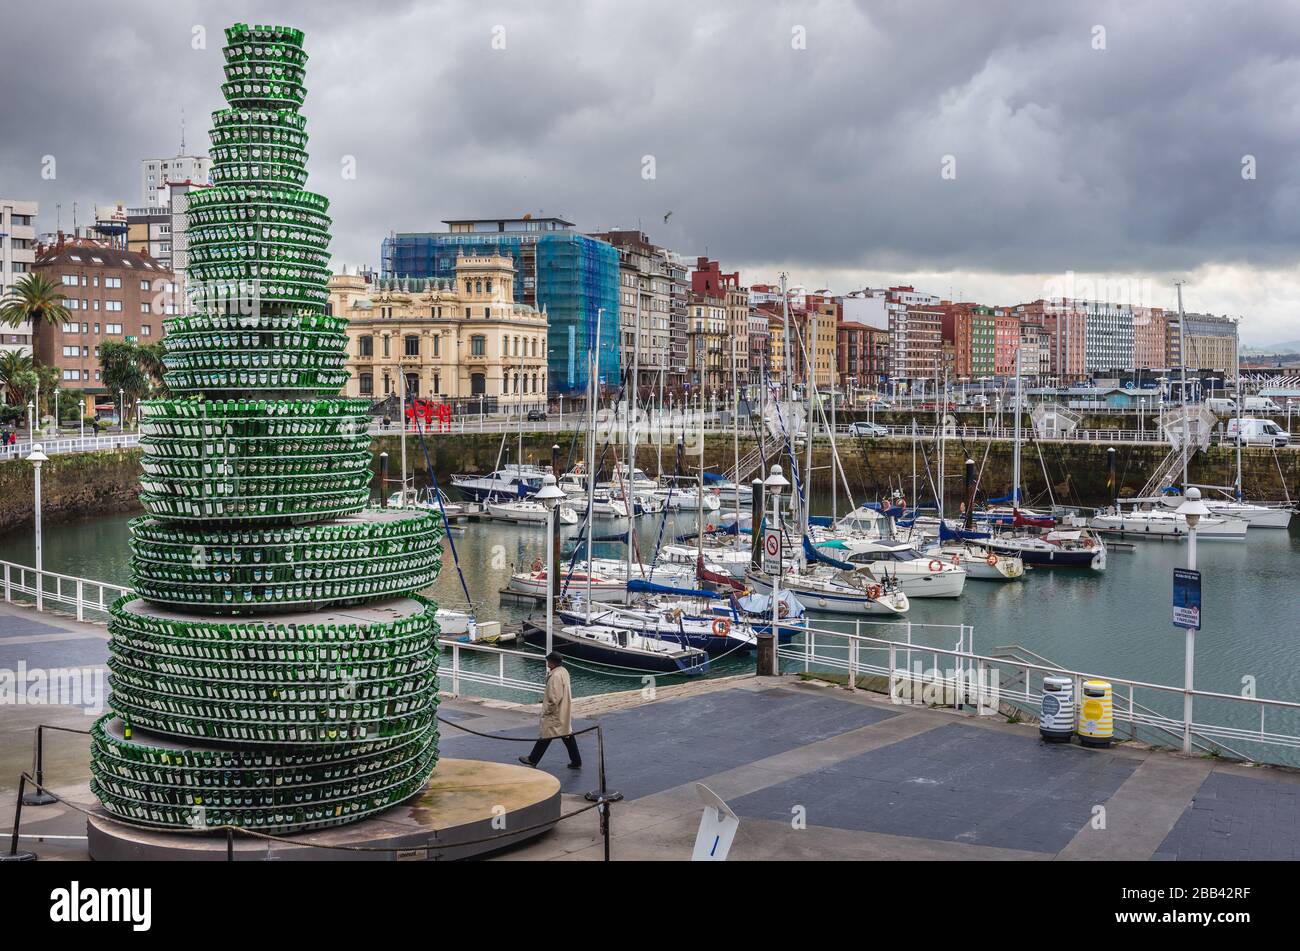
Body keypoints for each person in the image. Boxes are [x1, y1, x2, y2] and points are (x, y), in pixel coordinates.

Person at [519, 652, 581, 770]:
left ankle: (532, 759)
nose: (547, 662)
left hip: (555, 713)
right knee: (566, 735)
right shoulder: (564, 671)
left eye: (548, 661)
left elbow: (554, 698)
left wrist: (547, 710)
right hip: (563, 710)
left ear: (551, 663)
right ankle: (576, 761)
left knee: (546, 735)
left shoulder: (555, 676)